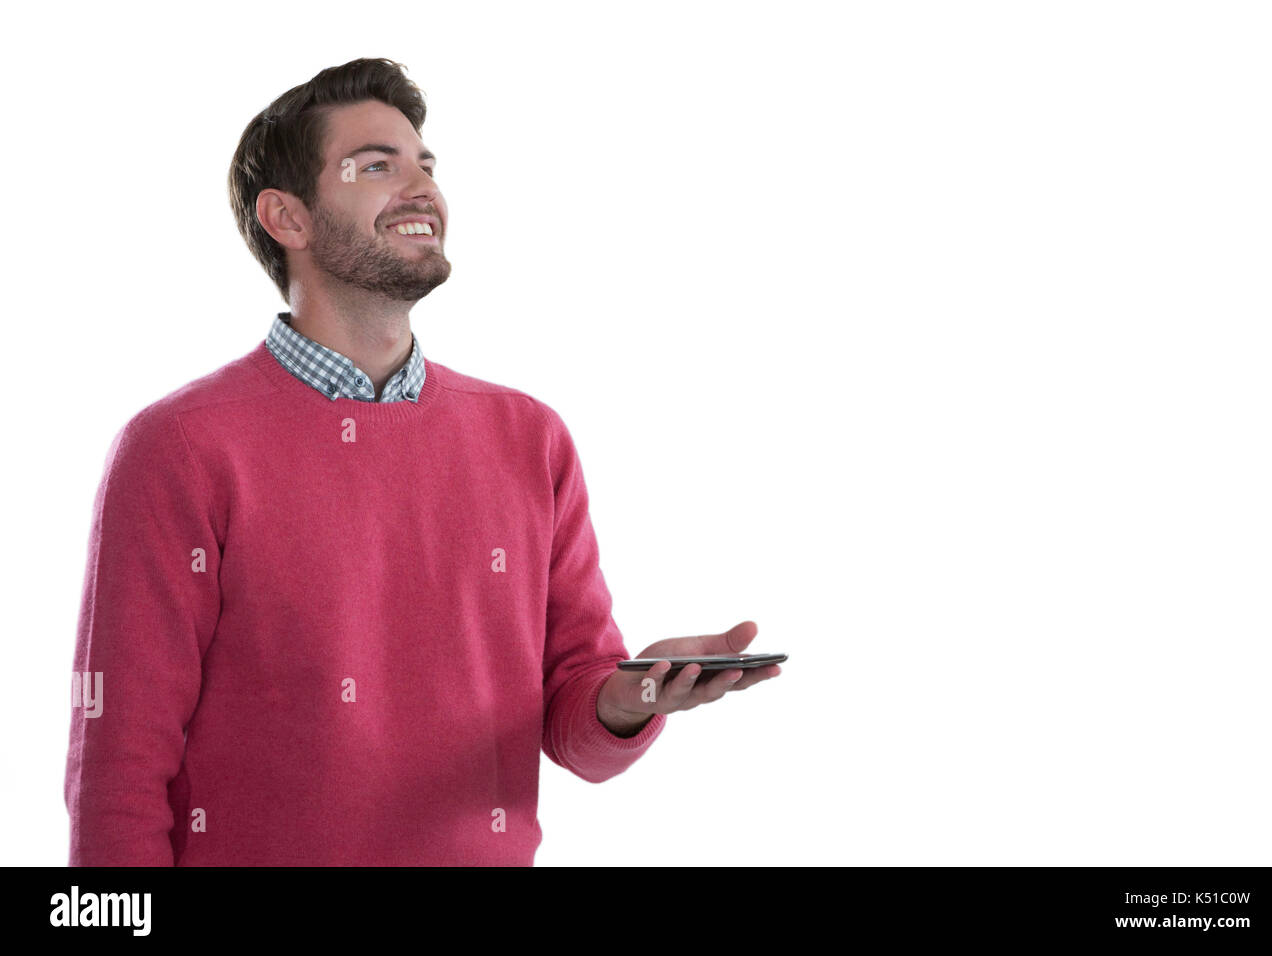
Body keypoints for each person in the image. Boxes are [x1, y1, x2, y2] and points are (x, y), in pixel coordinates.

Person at [64, 57, 780, 866]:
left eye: (425, 165)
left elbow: (576, 719)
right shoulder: (181, 446)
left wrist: (636, 693)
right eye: (376, 166)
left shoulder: (529, 437)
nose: (422, 189)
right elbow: (118, 764)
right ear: (287, 218)